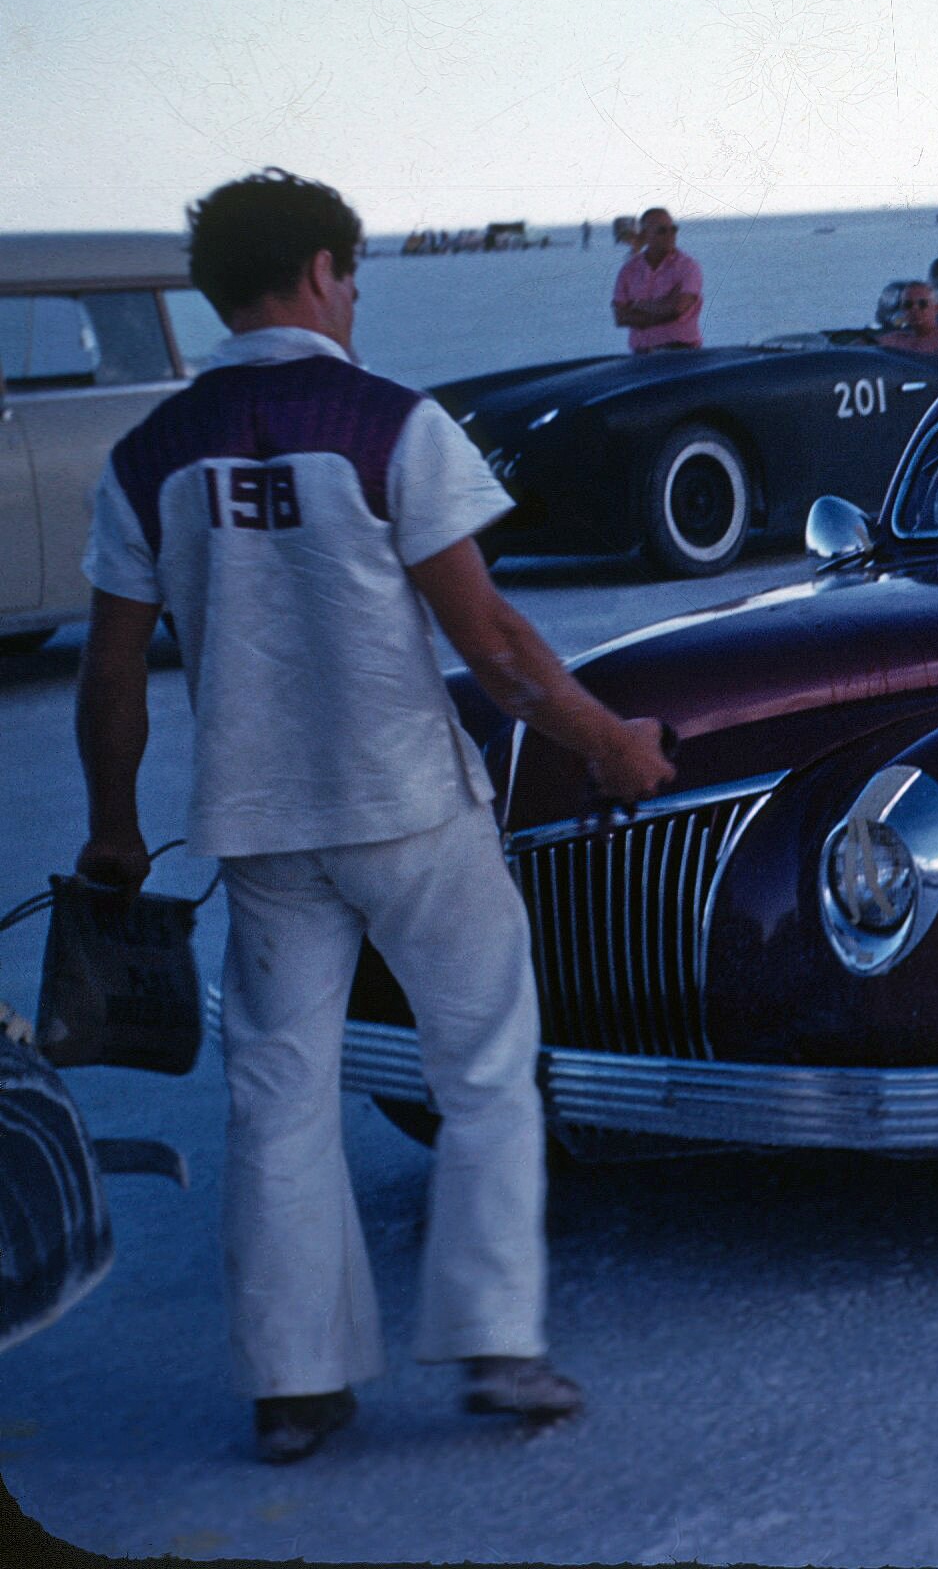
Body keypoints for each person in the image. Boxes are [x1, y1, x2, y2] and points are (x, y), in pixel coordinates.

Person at [74, 169, 676, 1464]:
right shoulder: (390, 423)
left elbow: (111, 671)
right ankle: (496, 1347)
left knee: (277, 1096)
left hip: (260, 825)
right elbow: (494, 642)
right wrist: (613, 745)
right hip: (407, 807)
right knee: (484, 1066)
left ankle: (294, 1389)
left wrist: (112, 828)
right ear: (319, 274)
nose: (352, 298)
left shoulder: (146, 455)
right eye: (350, 276)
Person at [611, 207, 702, 350]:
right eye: (662, 230)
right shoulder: (629, 270)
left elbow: (678, 309)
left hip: (682, 353)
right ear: (645, 235)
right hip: (642, 355)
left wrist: (637, 306)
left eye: (673, 229)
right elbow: (620, 318)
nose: (670, 235)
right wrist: (664, 305)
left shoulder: (687, 267)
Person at [875, 280, 938, 355]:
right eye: (908, 305)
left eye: (922, 304)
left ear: (936, 308)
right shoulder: (894, 339)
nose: (914, 309)